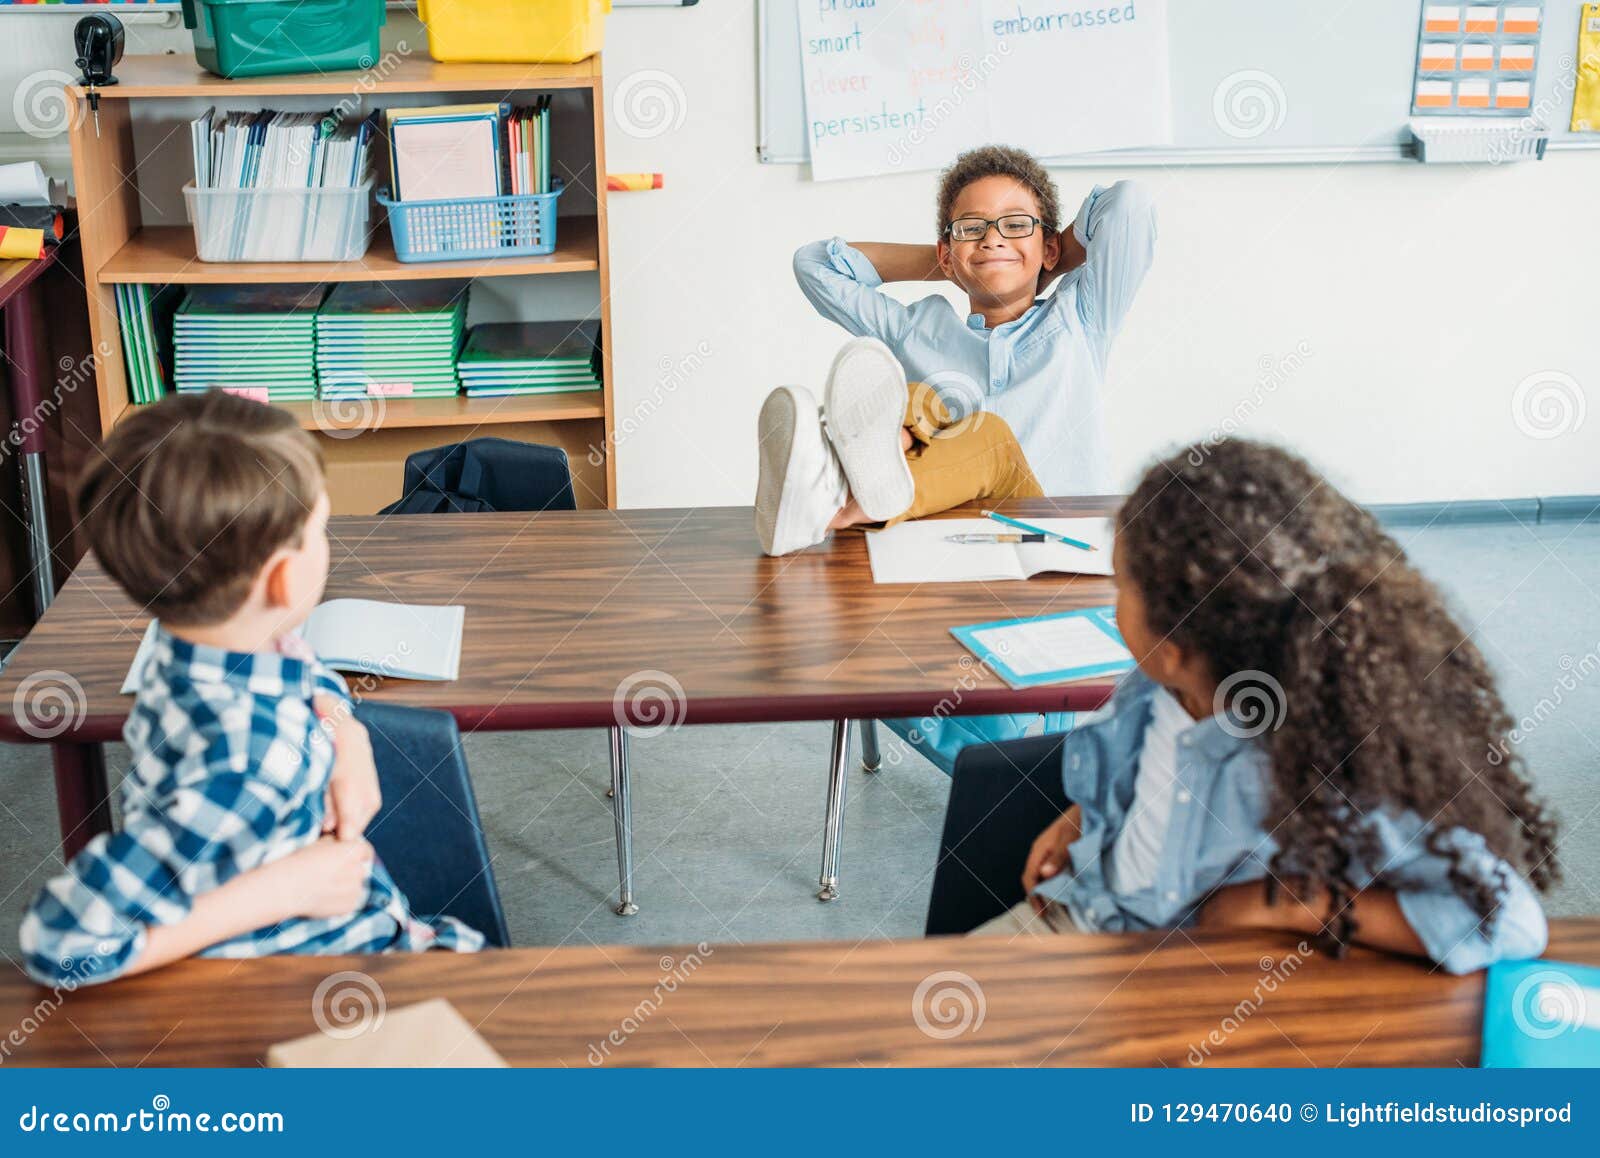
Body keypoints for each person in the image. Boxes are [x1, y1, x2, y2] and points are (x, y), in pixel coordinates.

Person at [936, 439, 1556, 975]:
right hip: (1085, 913)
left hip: (1199, 974)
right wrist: (1084, 817)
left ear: (1176, 645)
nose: (1112, 599)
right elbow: (1154, 774)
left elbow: (1508, 920)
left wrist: (1293, 904)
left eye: (1121, 584)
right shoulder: (1159, 687)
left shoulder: (1328, 755)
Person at [19, 392, 483, 987]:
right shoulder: (245, 760)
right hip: (314, 981)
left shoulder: (198, 643)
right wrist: (283, 890)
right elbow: (62, 946)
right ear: (284, 578)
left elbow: (302, 666)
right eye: (320, 530)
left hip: (360, 927)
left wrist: (344, 730)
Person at [760, 144, 1157, 772]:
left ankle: (837, 497)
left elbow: (1128, 207)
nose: (994, 238)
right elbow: (814, 264)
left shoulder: (1081, 317)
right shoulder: (915, 328)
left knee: (981, 432)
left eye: (1015, 224)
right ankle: (860, 479)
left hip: (1059, 556)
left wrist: (1040, 255)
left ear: (1050, 247)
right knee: (915, 404)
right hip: (946, 556)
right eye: (972, 227)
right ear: (947, 253)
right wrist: (952, 260)